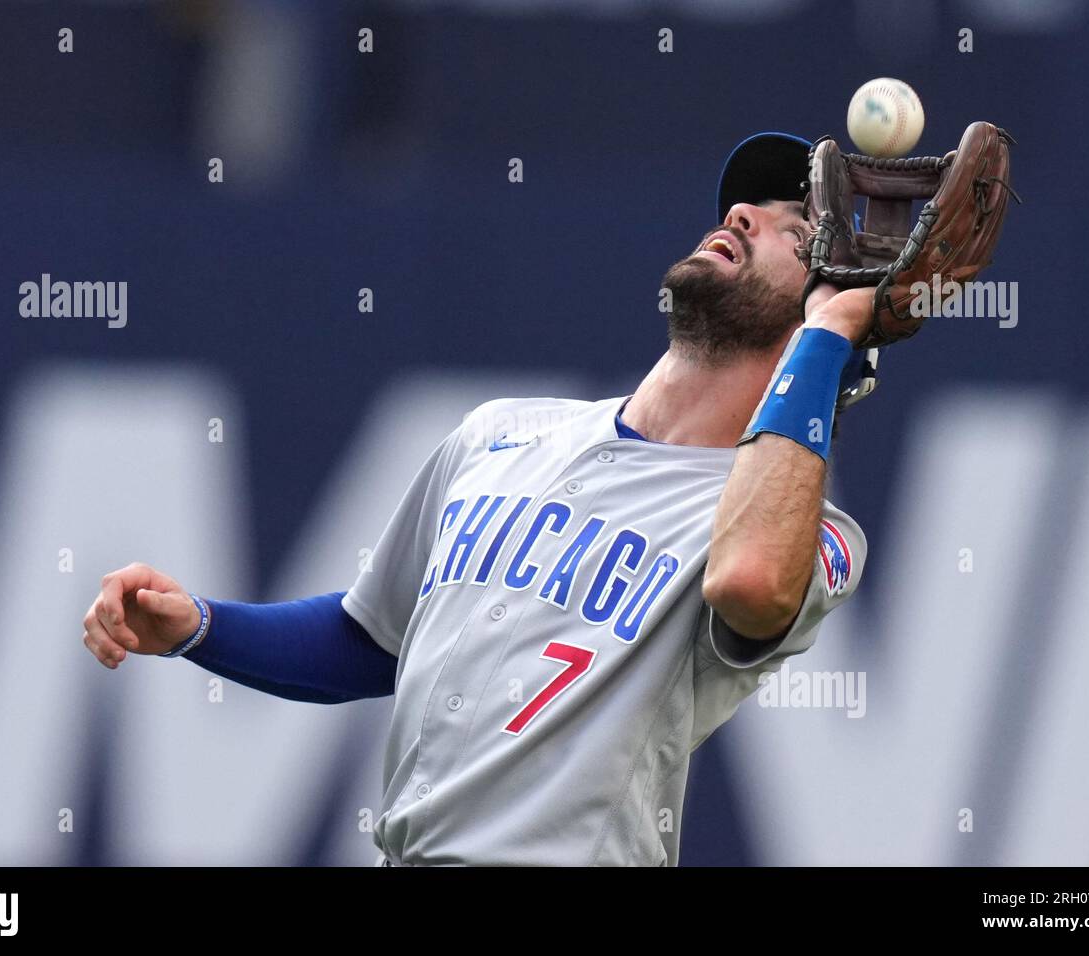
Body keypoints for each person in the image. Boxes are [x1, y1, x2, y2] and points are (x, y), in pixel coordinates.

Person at [81, 132, 874, 866]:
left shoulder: (801, 532)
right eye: (747, 205)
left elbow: (750, 584)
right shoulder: (502, 432)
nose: (741, 214)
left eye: (795, 231)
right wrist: (203, 627)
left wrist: (834, 331)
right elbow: (375, 638)